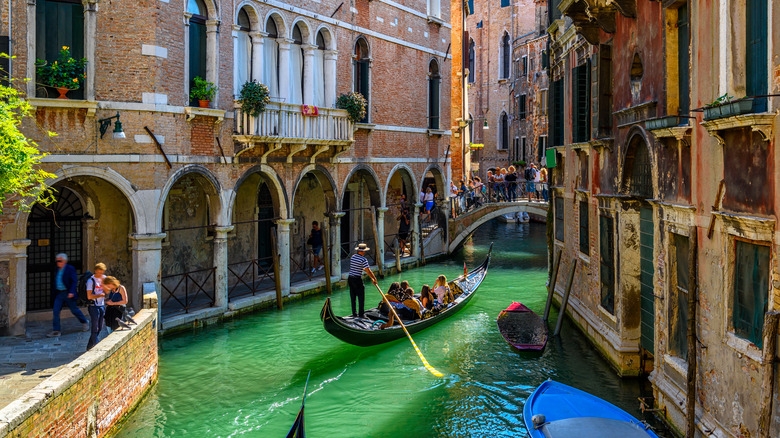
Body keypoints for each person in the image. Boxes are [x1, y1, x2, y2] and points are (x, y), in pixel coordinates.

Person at [48, 253, 88, 337]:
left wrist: (71, 292)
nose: (58, 262)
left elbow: (74, 281)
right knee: (56, 311)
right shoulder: (57, 269)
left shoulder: (70, 269)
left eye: (60, 261)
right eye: (57, 261)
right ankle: (56, 330)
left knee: (74, 310)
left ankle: (84, 321)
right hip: (59, 293)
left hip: (67, 293)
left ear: (64, 261)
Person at [348, 243, 378, 318]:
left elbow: (357, 267)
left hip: (350, 278)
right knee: (361, 297)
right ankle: (361, 314)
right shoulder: (363, 259)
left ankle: (354, 314)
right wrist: (374, 279)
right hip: (357, 279)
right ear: (362, 251)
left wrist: (362, 269)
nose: (364, 252)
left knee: (353, 296)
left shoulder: (353, 257)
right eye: (364, 251)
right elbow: (368, 271)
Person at [85, 263, 107, 350]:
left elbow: (107, 289)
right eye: (98, 273)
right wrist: (99, 295)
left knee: (100, 326)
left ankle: (90, 345)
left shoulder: (104, 278)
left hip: (102, 305)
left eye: (101, 273)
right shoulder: (91, 281)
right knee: (95, 326)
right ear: (95, 271)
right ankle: (96, 345)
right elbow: (89, 296)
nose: (100, 275)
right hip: (93, 306)